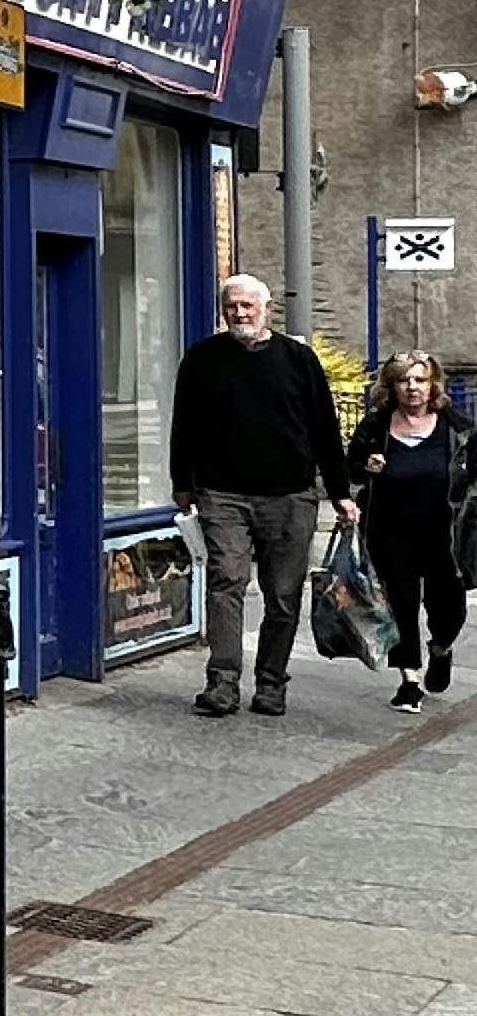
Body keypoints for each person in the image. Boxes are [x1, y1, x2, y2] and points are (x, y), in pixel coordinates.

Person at [169, 275, 352, 719]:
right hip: (222, 494)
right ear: (223, 310)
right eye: (232, 306)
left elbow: (326, 429)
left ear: (267, 309)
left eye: (249, 305)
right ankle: (223, 681)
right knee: (226, 583)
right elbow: (184, 424)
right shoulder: (202, 359)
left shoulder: (298, 360)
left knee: (283, 595)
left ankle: (271, 682)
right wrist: (181, 482)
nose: (240, 313)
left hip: (290, 496)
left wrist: (341, 493)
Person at [341, 352, 470, 712]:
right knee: (401, 603)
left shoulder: (457, 426)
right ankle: (410, 681)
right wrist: (366, 466)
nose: (412, 388)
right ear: (391, 386)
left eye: (419, 380)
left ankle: (441, 648)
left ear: (433, 385)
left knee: (449, 606)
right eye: (403, 380)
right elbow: (350, 469)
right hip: (390, 531)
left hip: (446, 534)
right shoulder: (376, 426)